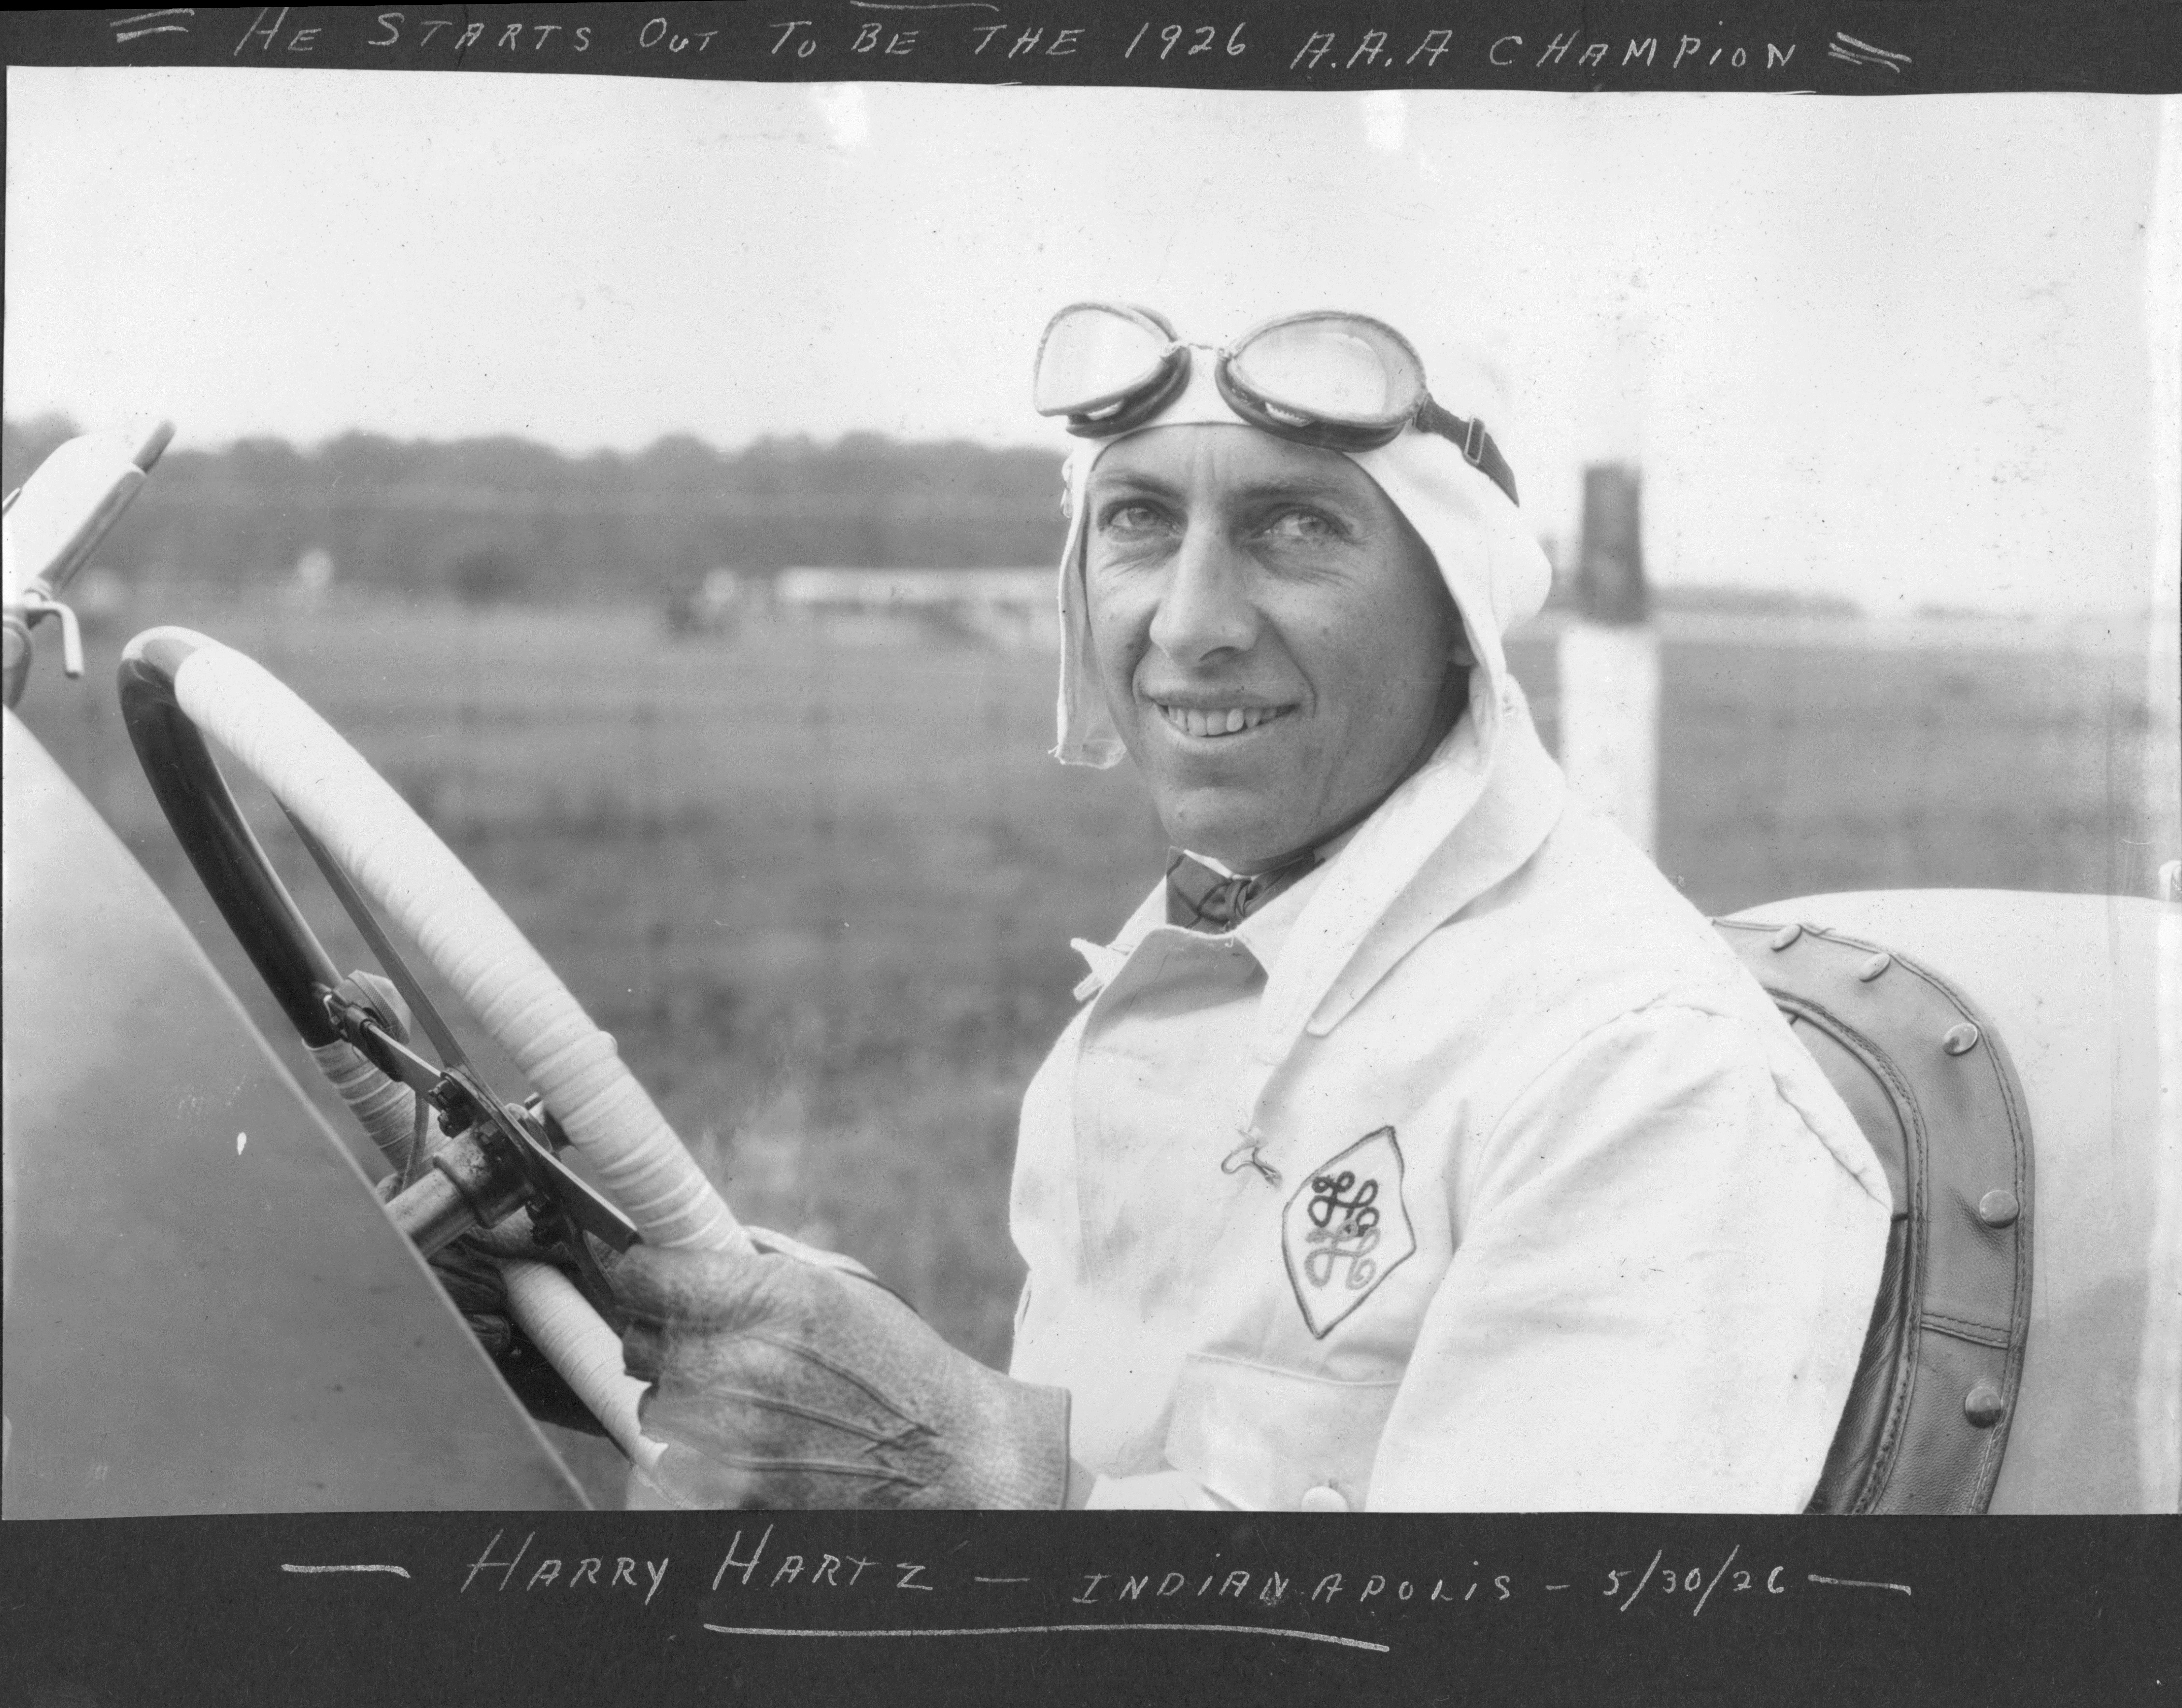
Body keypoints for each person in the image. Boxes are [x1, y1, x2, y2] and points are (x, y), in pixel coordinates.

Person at [510, 305, 1894, 1511]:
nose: (1187, 624)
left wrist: (982, 1482)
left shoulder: (1639, 1075)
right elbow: (1126, 1442)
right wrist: (671, 1322)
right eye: (1141, 521)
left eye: (1296, 526)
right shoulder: (1191, 962)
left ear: (1458, 606)